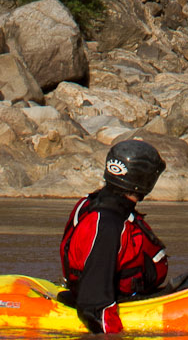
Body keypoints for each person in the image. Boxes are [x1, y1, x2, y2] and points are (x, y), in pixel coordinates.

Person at [58, 138, 169, 334]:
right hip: (107, 300)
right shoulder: (107, 224)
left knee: (187, 283)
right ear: (142, 180)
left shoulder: (100, 204)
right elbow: (94, 306)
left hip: (129, 293)